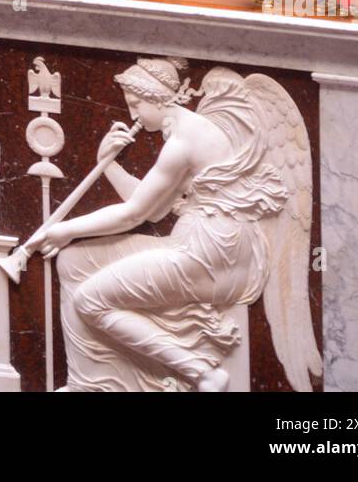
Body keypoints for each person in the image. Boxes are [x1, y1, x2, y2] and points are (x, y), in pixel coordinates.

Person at [27, 58, 293, 392]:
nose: (134, 115)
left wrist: (65, 229)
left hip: (209, 257)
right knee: (72, 261)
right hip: (201, 245)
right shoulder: (191, 131)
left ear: (156, 98)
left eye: (136, 104)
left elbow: (134, 214)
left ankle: (203, 373)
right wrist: (106, 165)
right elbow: (153, 209)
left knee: (91, 300)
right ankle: (88, 383)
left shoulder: (183, 140)